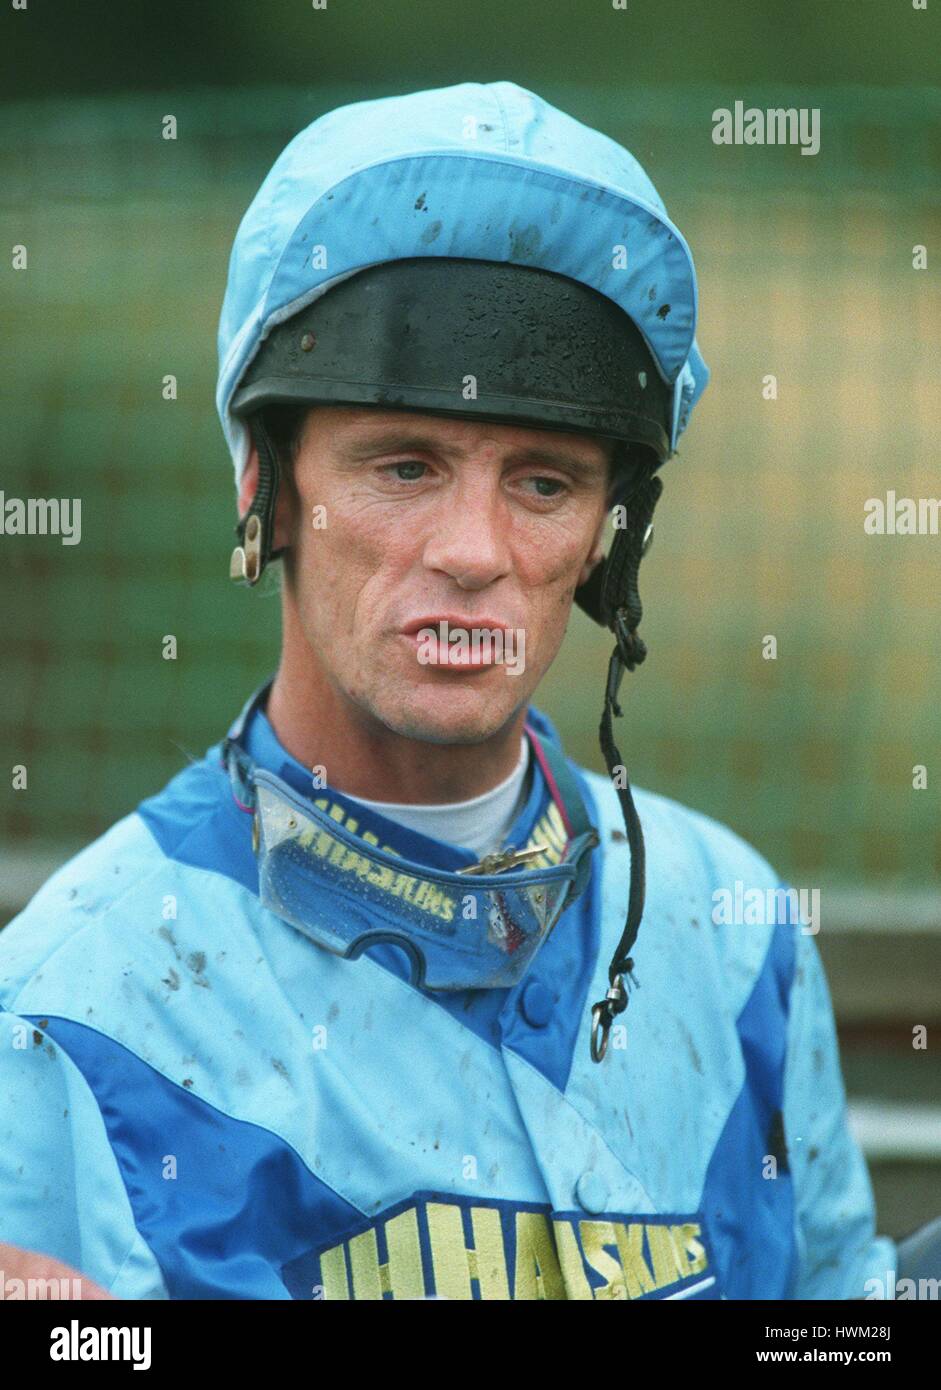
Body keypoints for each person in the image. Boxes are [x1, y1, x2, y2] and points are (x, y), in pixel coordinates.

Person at [0, 80, 899, 1300]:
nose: (472, 550)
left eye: (541, 482)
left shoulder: (731, 933)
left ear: (604, 545)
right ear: (262, 488)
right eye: (404, 465)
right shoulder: (73, 1010)